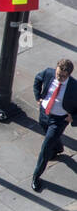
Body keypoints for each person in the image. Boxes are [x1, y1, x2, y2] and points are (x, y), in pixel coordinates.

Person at [31, 58, 77, 192]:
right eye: (58, 74)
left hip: (59, 120)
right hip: (44, 114)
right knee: (50, 138)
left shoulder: (74, 87)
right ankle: (57, 147)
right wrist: (37, 96)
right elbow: (37, 80)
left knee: (45, 148)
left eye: (63, 76)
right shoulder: (48, 73)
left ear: (69, 75)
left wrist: (73, 117)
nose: (59, 78)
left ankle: (36, 176)